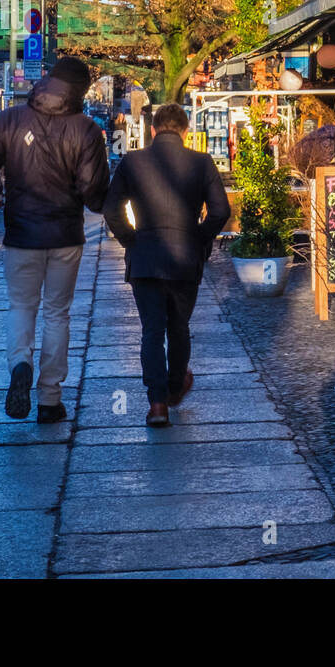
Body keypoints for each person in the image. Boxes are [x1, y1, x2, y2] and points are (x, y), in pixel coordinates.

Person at [0, 57, 110, 423]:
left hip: (21, 236)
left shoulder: (9, 121)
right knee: (58, 314)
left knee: (20, 307)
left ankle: (19, 365)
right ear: (80, 89)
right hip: (65, 237)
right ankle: (49, 398)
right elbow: (94, 194)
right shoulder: (87, 130)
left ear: (48, 80)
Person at [103, 102, 230, 427]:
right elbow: (220, 212)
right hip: (185, 259)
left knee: (151, 331)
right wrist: (198, 239)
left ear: (153, 129)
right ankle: (174, 388)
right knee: (179, 328)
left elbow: (111, 210)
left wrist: (132, 241)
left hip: (146, 258)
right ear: (186, 132)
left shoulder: (133, 161)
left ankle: (157, 403)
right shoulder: (201, 163)